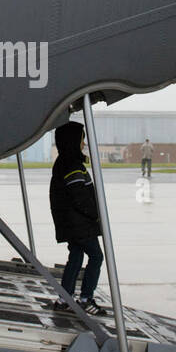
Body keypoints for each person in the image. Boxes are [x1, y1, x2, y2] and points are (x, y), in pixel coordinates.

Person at [49, 121, 107, 315]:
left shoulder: (65, 161)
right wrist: (96, 216)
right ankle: (85, 298)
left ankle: (64, 298)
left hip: (72, 224)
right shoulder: (72, 164)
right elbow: (79, 197)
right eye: (82, 138)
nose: (84, 142)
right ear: (73, 140)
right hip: (79, 224)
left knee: (75, 256)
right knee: (96, 257)